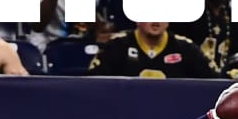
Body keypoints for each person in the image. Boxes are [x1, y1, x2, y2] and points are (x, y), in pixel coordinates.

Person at [87, 22, 217, 79]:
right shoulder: (116, 45)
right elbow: (93, 81)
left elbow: (214, 79)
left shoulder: (186, 48)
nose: (156, 21)